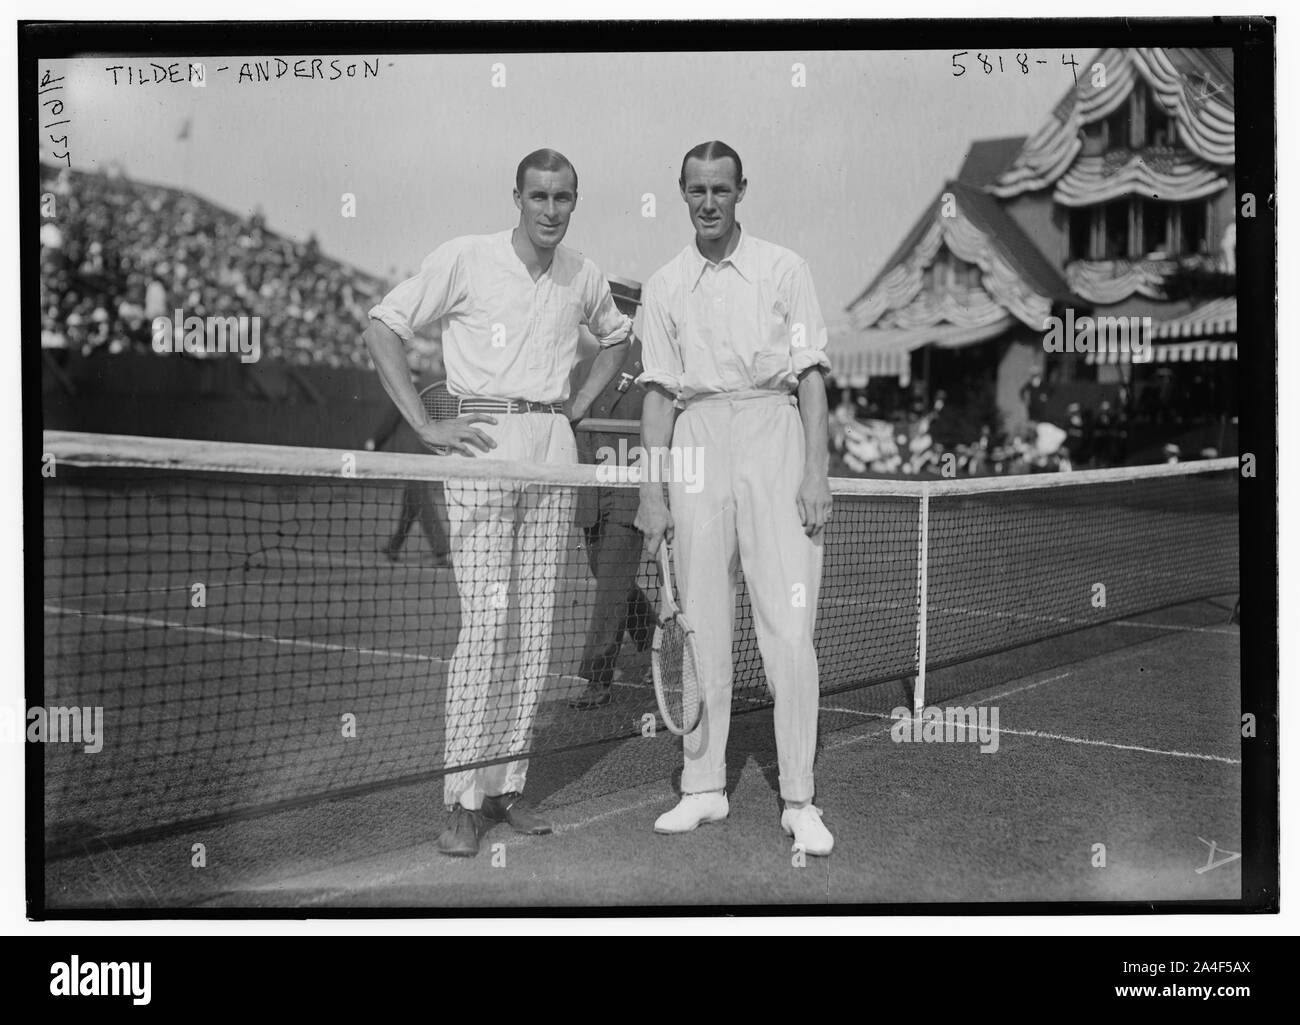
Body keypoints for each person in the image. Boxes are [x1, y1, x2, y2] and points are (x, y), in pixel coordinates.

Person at [363, 148, 633, 857]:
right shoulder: (466, 257)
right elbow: (382, 324)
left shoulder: (585, 273)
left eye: (563, 197)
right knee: (486, 625)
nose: (551, 209)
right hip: (482, 439)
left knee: (536, 626)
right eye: (539, 196)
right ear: (516, 196)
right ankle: (459, 797)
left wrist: (573, 407)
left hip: (551, 441)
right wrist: (424, 424)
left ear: (575, 201)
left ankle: (507, 787)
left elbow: (616, 337)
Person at [635, 141, 835, 856]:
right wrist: (651, 493)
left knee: (788, 629)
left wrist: (814, 471)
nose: (709, 201)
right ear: (682, 192)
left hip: (771, 433)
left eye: (722, 188)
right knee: (701, 624)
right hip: (696, 440)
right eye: (697, 189)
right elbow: (658, 394)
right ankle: (702, 787)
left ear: (741, 190)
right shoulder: (664, 286)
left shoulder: (786, 268)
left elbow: (810, 377)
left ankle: (799, 798)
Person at [568, 278, 655, 710]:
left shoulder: (652, 363)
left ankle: (597, 679)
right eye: (610, 306)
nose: (617, 314)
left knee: (608, 592)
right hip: (591, 495)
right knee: (611, 581)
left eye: (624, 308)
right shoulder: (581, 367)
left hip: (630, 492)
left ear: (634, 315)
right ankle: (652, 634)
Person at [363, 390, 452, 568]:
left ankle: (442, 551)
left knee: (420, 501)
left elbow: (389, 421)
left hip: (411, 458)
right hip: (425, 456)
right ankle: (394, 547)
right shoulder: (430, 394)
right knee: (412, 502)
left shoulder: (404, 391)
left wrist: (374, 443)